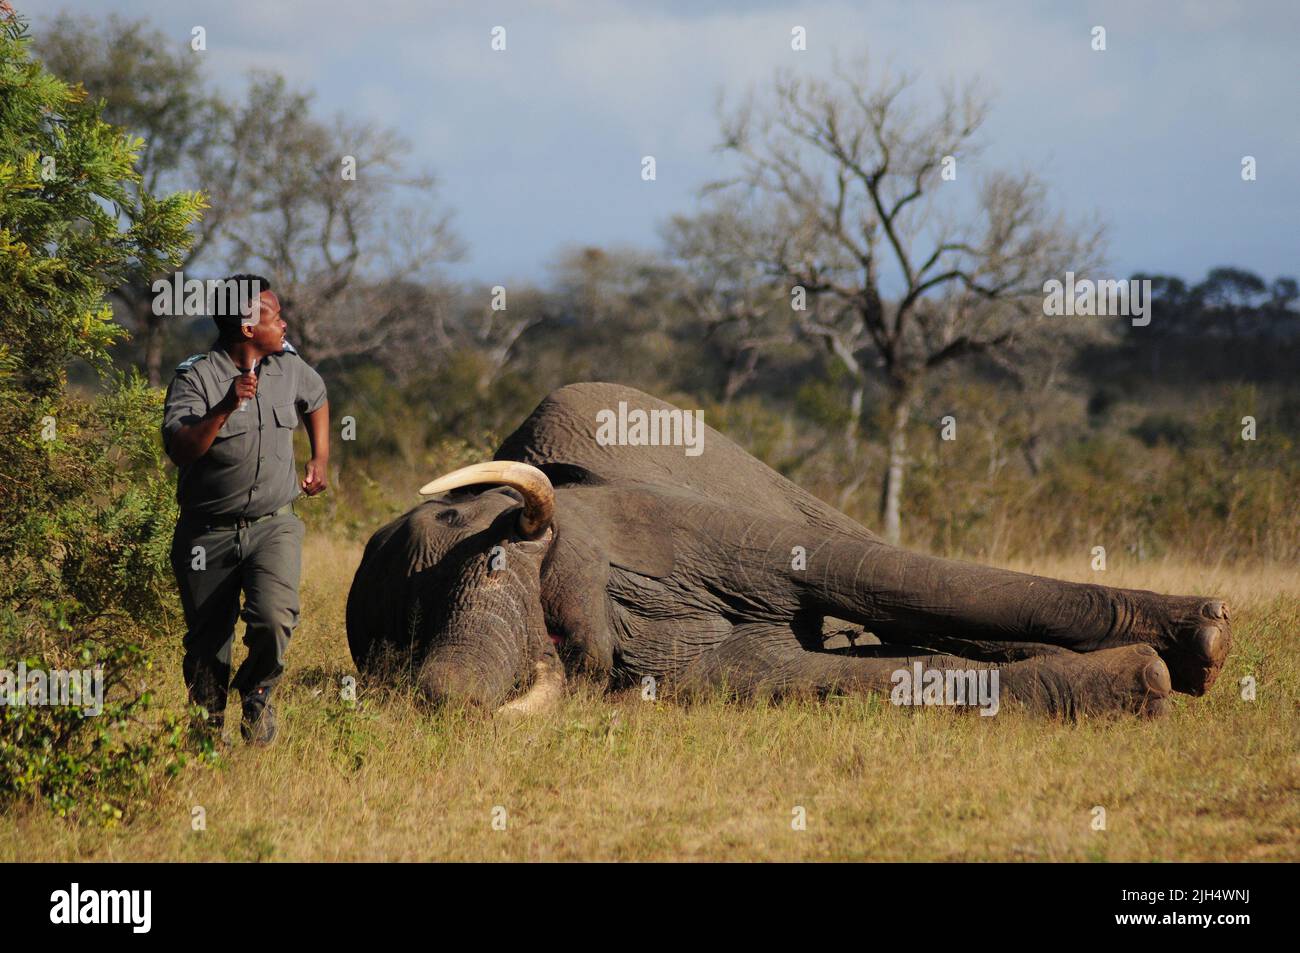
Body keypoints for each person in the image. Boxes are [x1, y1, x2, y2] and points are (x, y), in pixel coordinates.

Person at [161, 275, 329, 746]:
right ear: (249, 326)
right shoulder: (195, 376)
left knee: (274, 618)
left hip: (273, 525)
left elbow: (317, 400)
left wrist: (320, 457)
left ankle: (257, 695)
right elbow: (181, 450)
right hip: (206, 535)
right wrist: (223, 407)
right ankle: (207, 733)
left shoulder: (288, 366)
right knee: (208, 643)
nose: (285, 323)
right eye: (276, 316)